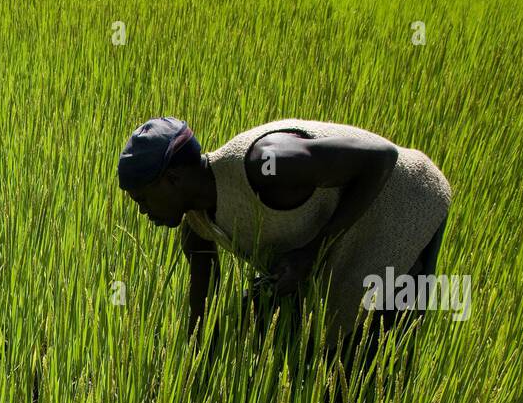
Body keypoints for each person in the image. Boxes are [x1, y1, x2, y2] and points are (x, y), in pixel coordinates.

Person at [118, 117, 451, 363]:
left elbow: (381, 158)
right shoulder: (197, 228)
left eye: (143, 200)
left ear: (173, 179)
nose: (144, 212)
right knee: (299, 340)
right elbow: (204, 308)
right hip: (342, 240)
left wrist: (312, 252)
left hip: (406, 205)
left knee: (373, 358)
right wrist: (193, 367)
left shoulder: (267, 164)